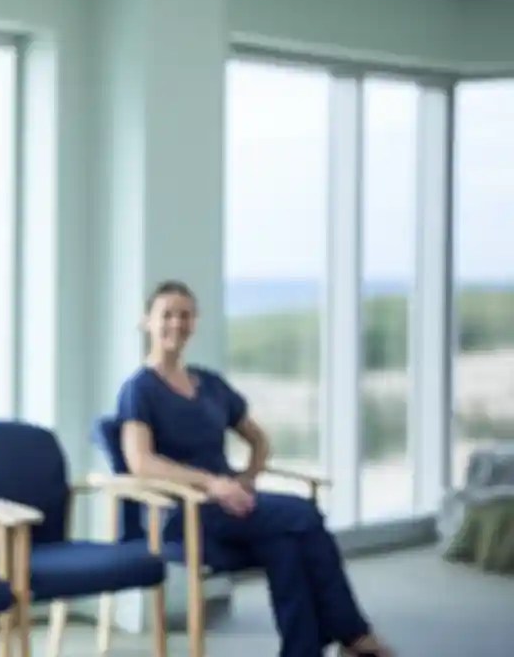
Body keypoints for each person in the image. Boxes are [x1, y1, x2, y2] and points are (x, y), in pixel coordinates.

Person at [115, 279, 393, 657]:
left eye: (185, 315)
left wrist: (244, 480)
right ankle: (354, 635)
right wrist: (213, 484)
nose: (176, 324)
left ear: (195, 322)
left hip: (234, 505)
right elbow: (141, 462)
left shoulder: (209, 383)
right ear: (146, 322)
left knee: (285, 546)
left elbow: (259, 440)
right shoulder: (139, 389)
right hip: (187, 512)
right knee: (304, 513)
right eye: (166, 315)